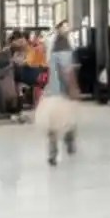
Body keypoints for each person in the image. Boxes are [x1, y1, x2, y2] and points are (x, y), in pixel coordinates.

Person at [37, 23, 80, 165]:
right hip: (64, 96)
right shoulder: (67, 54)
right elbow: (68, 73)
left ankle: (52, 153)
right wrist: (73, 88)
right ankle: (69, 141)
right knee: (68, 120)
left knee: (52, 126)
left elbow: (51, 75)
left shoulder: (52, 55)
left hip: (52, 95)